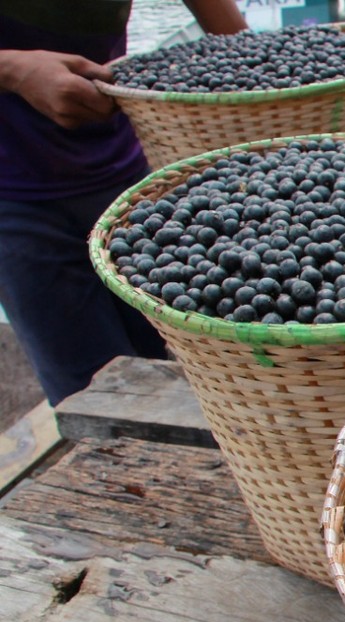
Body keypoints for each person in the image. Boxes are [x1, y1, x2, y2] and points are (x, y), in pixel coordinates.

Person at [0, 1, 247, 406]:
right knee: (92, 393)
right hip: (17, 197)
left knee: (166, 365)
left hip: (129, 178)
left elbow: (233, 36)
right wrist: (13, 69)